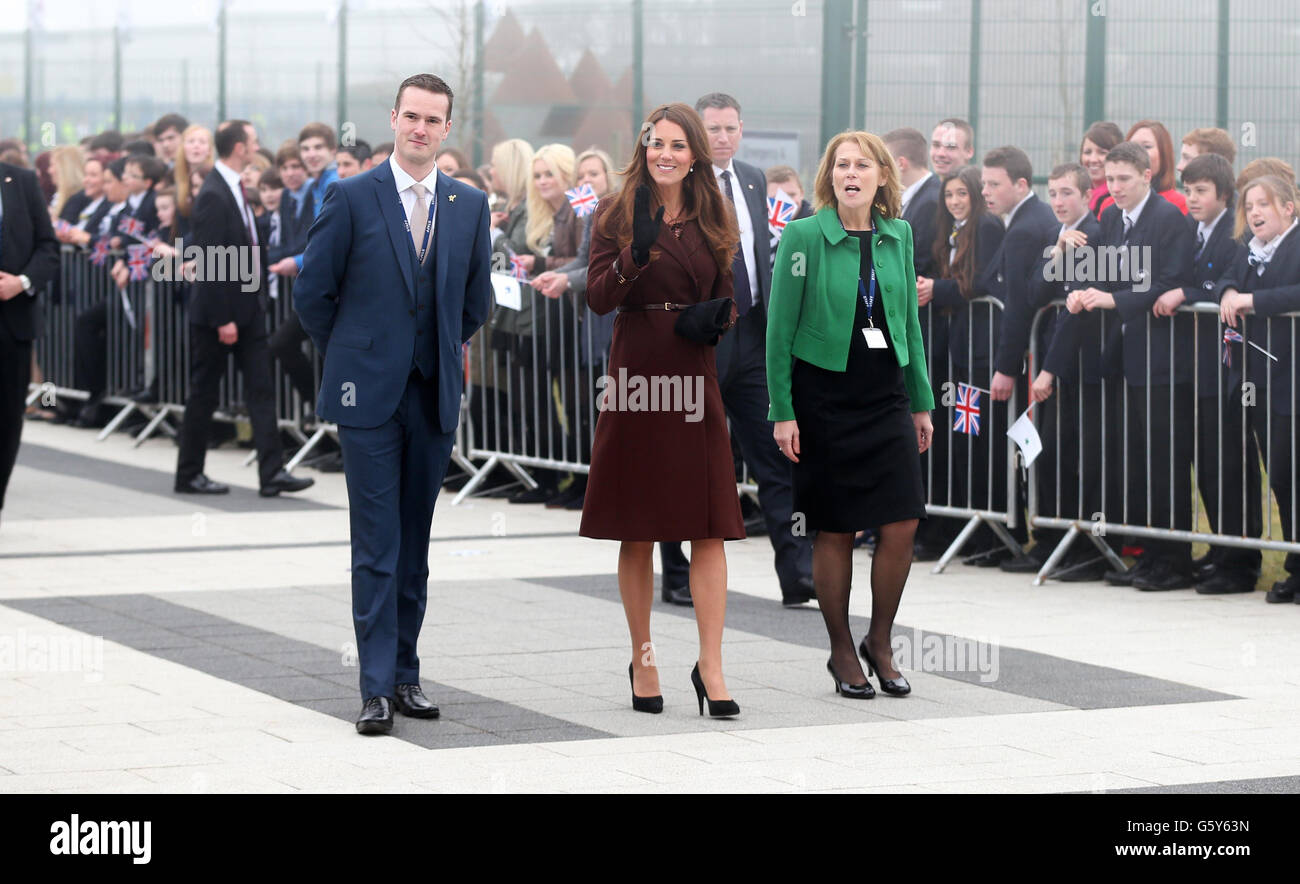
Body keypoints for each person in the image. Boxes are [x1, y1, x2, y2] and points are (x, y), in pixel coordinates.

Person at [295, 74, 493, 735]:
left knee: (416, 544)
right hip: (367, 399)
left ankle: (407, 676)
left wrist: (432, 349)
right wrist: (358, 353)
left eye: (433, 120)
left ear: (446, 129)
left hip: (432, 395)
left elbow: (476, 301)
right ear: (395, 118)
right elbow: (313, 294)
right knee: (376, 544)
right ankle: (375, 687)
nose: (420, 128)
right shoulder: (351, 195)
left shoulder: (468, 204)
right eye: (411, 116)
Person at [580, 102, 743, 718]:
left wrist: (716, 316)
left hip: (694, 373)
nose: (665, 153)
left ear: (695, 153)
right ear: (642, 147)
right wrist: (635, 255)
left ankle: (712, 664)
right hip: (636, 374)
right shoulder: (616, 212)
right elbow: (598, 297)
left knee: (708, 525)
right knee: (639, 524)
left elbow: (727, 288)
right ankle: (643, 657)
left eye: (678, 144)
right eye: (656, 143)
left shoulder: (713, 211)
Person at [768, 130, 935, 698]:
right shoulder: (803, 236)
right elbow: (778, 331)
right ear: (829, 177)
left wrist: (921, 401)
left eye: (862, 164)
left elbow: (908, 324)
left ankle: (879, 641)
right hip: (823, 400)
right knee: (835, 528)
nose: (851, 173)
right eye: (841, 165)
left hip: (886, 396)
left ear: (883, 175)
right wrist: (782, 410)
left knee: (902, 521)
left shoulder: (900, 235)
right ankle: (842, 650)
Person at [655, 91, 814, 610]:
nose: (722, 139)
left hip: (754, 335)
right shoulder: (678, 181)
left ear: (742, 130)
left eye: (730, 129)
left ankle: (798, 573)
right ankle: (677, 572)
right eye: (713, 130)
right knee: (687, 457)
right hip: (701, 336)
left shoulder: (752, 178)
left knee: (775, 453)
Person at [1071, 141, 1196, 591]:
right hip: (1129, 357)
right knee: (1140, 459)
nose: (1115, 187)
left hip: (1163, 361)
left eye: (1124, 179)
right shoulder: (1108, 216)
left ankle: (1175, 559)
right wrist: (1080, 288)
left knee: (1167, 460)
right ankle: (1148, 554)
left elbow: (1173, 281)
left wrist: (1114, 299)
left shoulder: (1168, 219)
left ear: (1146, 175)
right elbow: (1102, 270)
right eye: (1110, 179)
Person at [173, 120, 314, 500]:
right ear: (238, 147)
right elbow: (212, 261)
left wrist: (251, 305)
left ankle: (272, 473)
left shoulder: (235, 188)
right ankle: (189, 473)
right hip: (219, 315)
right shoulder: (215, 194)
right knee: (203, 392)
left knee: (261, 390)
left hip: (248, 310)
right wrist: (224, 320)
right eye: (252, 141)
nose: (256, 146)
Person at [1165, 153, 1257, 594]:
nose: (1192, 198)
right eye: (1188, 190)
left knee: (1230, 464)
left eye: (1201, 191)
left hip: (1229, 367)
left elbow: (1226, 278)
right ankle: (1220, 550)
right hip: (1198, 366)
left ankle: (1240, 560)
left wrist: (1188, 290)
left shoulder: (1235, 233)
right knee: (1208, 463)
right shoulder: (1191, 230)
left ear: (1224, 194)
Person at [1021, 163, 1107, 579]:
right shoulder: (1061, 239)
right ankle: (1055, 538)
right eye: (1053, 193)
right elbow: (1034, 294)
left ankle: (1087, 549)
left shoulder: (1094, 236)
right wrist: (1057, 249)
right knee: (1053, 451)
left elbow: (1075, 311)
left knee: (1083, 458)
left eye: (1067, 193)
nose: (1058, 201)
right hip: (1060, 363)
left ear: (1087, 196)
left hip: (1083, 365)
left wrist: (1048, 372)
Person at [1218, 175, 1300, 604]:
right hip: (1263, 381)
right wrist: (1232, 289)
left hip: (1294, 379)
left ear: (1289, 208)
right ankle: (1295, 565)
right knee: (1281, 479)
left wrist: (1253, 301)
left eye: (1264, 204)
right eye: (1249, 206)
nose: (1255, 213)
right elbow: (1228, 278)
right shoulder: (1250, 251)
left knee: (1296, 474)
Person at [917, 165, 1004, 554]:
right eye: (949, 195)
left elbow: (983, 282)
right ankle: (949, 527)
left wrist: (939, 289)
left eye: (961, 194)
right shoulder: (947, 231)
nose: (954, 202)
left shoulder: (986, 228)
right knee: (954, 439)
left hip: (976, 353)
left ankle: (990, 531)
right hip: (951, 351)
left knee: (976, 438)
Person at [980, 145, 1058, 563]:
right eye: (984, 184)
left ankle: (1040, 536)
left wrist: (1005, 368)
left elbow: (1019, 306)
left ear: (1021, 185)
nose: (986, 193)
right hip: (1037, 355)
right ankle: (1036, 533)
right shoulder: (1029, 220)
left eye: (994, 185)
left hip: (1033, 357)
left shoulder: (1027, 228)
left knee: (1032, 445)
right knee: (1031, 444)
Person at [0, 153, 60, 526]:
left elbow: (48, 248)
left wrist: (19, 283)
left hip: (13, 323)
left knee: (7, 418)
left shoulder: (20, 182)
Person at [1126, 120, 1189, 215]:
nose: (1137, 152)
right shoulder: (1111, 204)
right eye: (1132, 146)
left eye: (1146, 147)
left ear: (1164, 154)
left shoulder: (1179, 204)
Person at [1080, 121, 1124, 218]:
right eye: (1087, 152)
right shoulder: (1076, 194)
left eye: (1102, 152)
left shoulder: (1119, 200)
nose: (1093, 159)